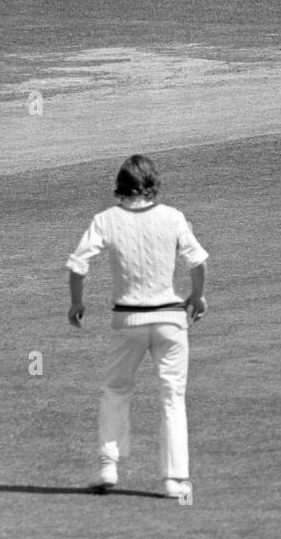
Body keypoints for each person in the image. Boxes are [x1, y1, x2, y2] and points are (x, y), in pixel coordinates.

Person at [65, 155, 209, 499]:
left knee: (115, 391)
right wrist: (198, 297)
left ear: (120, 186)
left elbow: (77, 264)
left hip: (127, 320)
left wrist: (76, 303)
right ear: (152, 184)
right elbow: (199, 260)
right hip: (171, 322)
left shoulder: (106, 220)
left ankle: (108, 466)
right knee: (173, 398)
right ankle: (175, 481)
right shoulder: (172, 217)